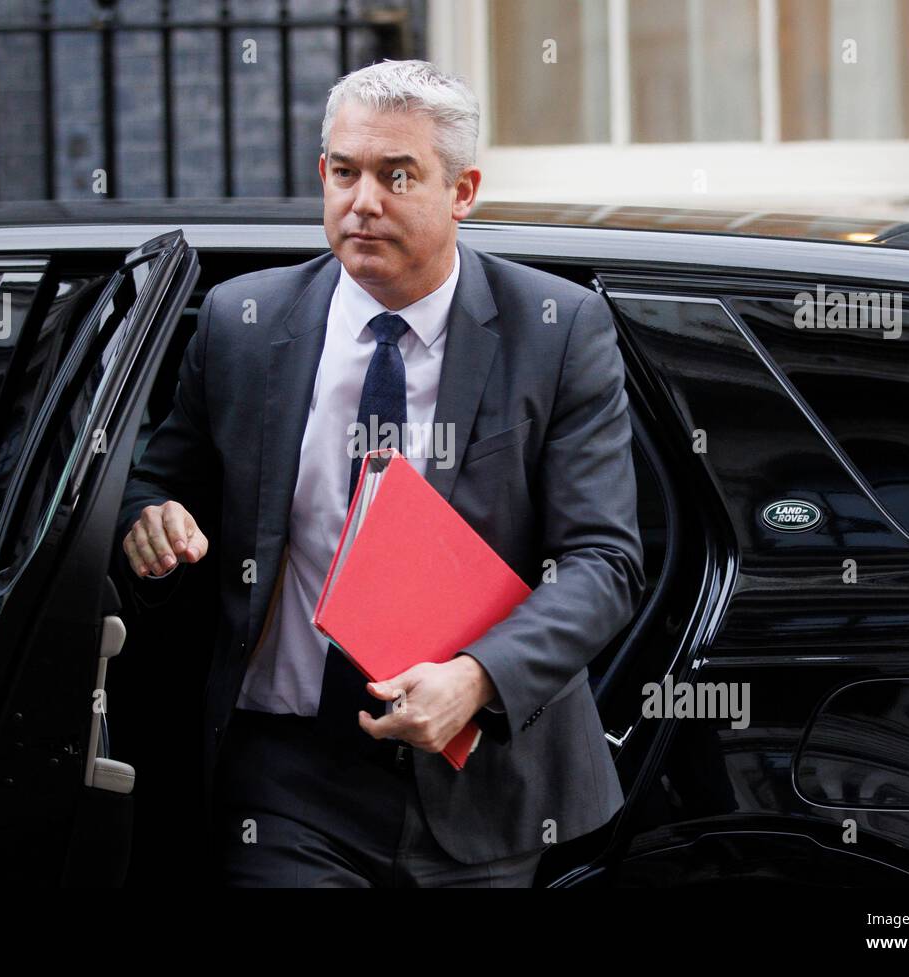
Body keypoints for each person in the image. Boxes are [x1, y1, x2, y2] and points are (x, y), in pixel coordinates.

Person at [116, 59, 644, 887]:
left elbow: (604, 563)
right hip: (284, 773)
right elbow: (154, 486)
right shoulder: (242, 325)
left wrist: (476, 678)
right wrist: (152, 520)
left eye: (398, 176)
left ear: (462, 190)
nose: (363, 202)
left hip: (481, 779)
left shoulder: (558, 332)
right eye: (344, 171)